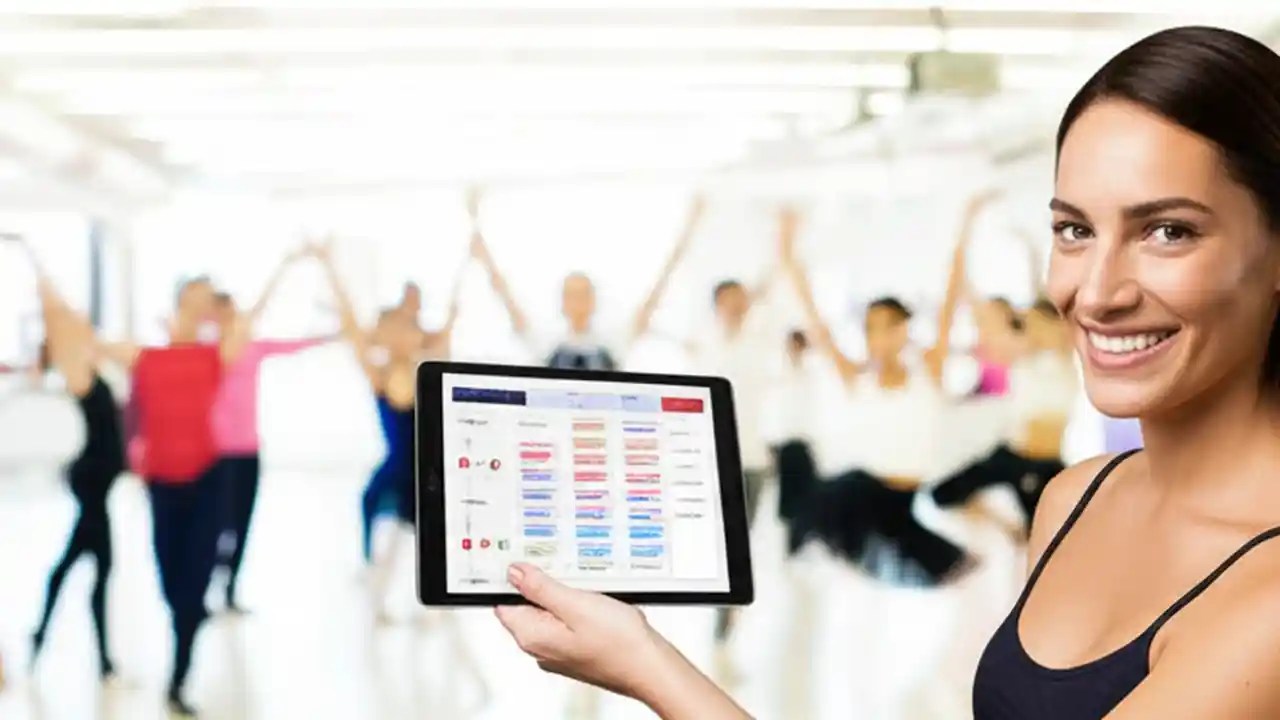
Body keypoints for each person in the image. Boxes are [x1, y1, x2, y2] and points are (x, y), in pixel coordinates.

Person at [494, 25, 1280, 719]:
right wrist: (641, 652)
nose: (1097, 292)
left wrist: (644, 667)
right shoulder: (1075, 501)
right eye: (1074, 230)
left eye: (1168, 231)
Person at [777, 205, 974, 587]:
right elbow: (815, 320)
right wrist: (787, 250)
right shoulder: (857, 376)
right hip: (864, 498)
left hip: (901, 501)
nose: (879, 337)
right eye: (870, 328)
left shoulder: (927, 371)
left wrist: (964, 225)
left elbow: (951, 297)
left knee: (950, 572)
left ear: (904, 329)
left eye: (887, 326)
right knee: (820, 484)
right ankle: (803, 554)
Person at [314, 241, 459, 621]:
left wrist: (470, 249)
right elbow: (350, 322)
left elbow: (453, 313)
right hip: (396, 472)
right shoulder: (378, 373)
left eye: (406, 328)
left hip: (426, 473)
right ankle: (378, 603)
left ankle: (430, 606)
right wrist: (330, 266)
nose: (400, 336)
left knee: (428, 544)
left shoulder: (430, 367)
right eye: (392, 329)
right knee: (388, 544)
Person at [10, 239, 127, 684]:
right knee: (95, 567)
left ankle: (46, 639)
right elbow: (58, 312)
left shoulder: (90, 367)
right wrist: (31, 257)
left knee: (80, 565)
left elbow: (68, 315)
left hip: (95, 482)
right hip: (91, 481)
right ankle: (96, 658)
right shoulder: (76, 371)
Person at [209, 250, 331, 613]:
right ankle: (208, 579)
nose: (234, 318)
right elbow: (258, 310)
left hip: (249, 450)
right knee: (219, 522)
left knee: (242, 523)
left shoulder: (253, 348)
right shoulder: (210, 352)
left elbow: (295, 343)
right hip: (218, 451)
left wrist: (335, 334)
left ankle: (230, 590)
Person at [469, 190, 704, 370]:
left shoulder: (614, 340)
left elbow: (658, 291)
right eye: (571, 294)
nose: (578, 301)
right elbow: (503, 293)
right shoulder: (545, 341)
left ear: (594, 300)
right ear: (562, 302)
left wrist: (691, 225)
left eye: (583, 294)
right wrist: (474, 219)